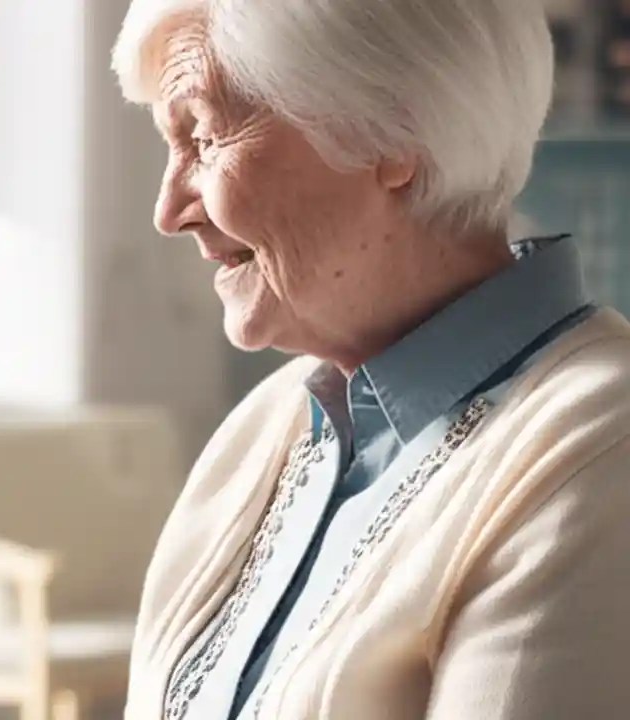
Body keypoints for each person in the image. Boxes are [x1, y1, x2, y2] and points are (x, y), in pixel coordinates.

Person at [111, 1, 630, 718]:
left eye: (203, 137)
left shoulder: (597, 449)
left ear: (389, 129)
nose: (169, 210)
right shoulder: (261, 432)